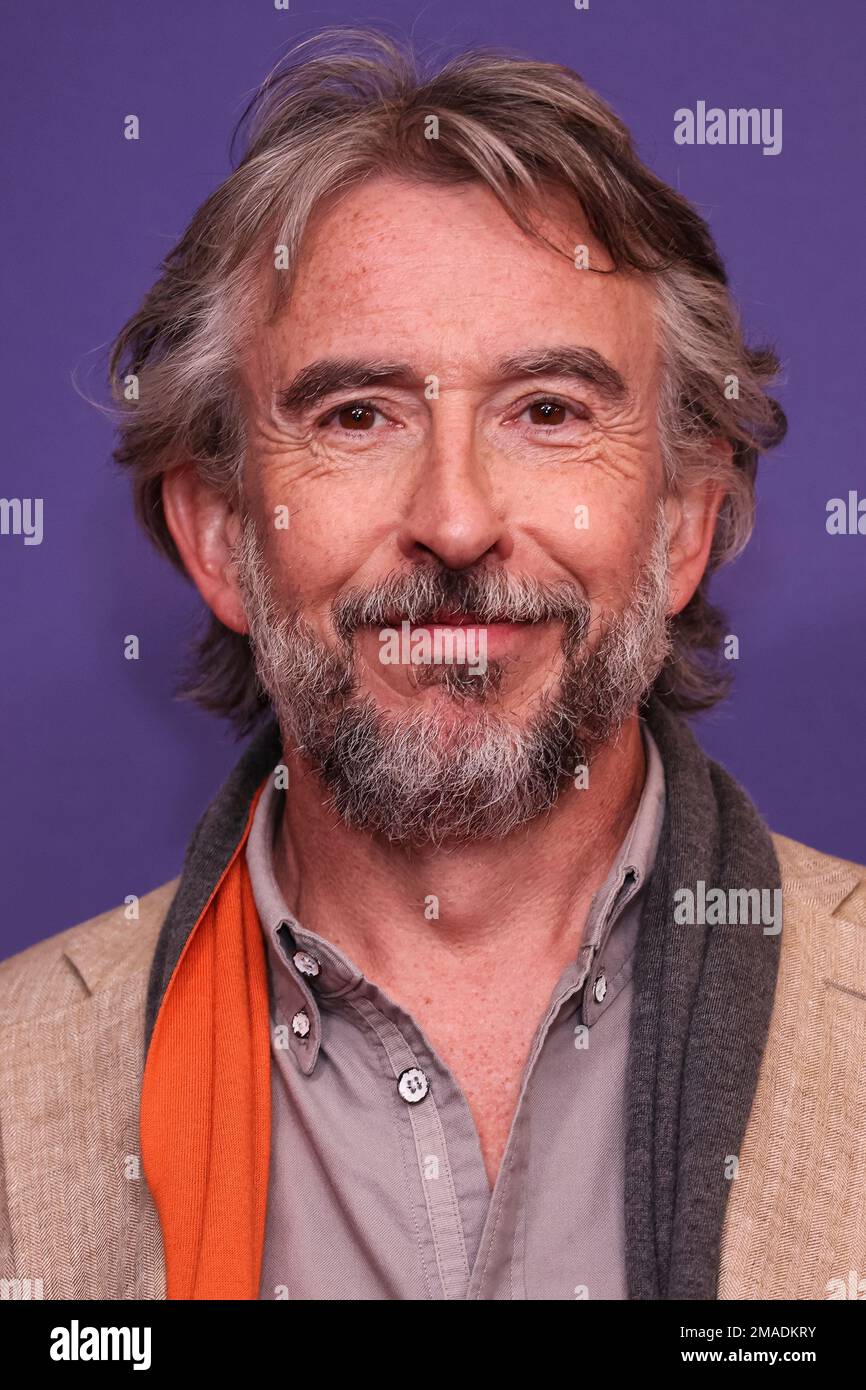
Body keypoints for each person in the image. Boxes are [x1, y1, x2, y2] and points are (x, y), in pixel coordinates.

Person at [2, 28, 863, 1302]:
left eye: (549, 413)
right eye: (356, 416)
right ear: (225, 536)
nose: (455, 519)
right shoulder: (19, 1096)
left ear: (684, 524)